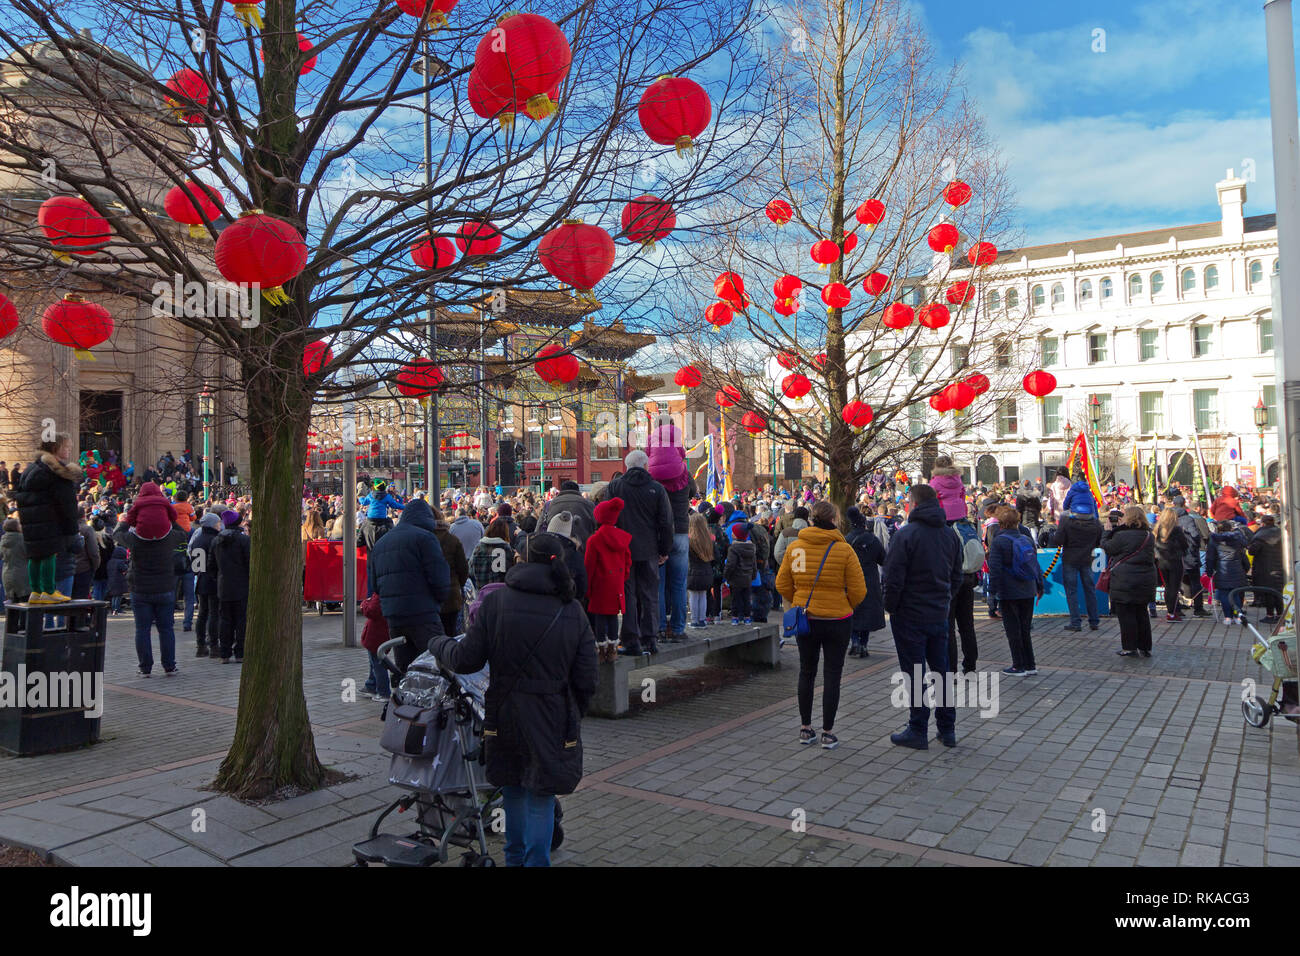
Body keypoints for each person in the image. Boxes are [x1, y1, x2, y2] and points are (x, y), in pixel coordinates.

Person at [428, 533, 597, 867]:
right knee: (541, 794)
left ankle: (514, 859)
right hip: (552, 714)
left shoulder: (496, 603)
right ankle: (536, 862)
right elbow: (587, 677)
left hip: (504, 711)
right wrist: (572, 710)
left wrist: (436, 644)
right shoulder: (572, 610)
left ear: (520, 559)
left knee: (514, 787)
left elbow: (465, 658)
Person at [777, 499, 868, 750]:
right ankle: (828, 732)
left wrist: (798, 599)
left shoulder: (796, 549)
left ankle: (805, 728)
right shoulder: (844, 550)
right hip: (837, 620)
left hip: (806, 617)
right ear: (833, 520)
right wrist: (845, 604)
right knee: (832, 675)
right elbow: (859, 590)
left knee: (806, 671)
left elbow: (783, 583)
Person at [367, 497, 450, 673]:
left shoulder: (381, 543)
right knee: (435, 667)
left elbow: (374, 585)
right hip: (424, 614)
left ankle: (405, 699)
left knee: (404, 669)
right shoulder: (426, 538)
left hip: (394, 616)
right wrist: (438, 602)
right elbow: (440, 577)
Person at [607, 450, 672, 656]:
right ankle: (650, 639)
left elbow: (609, 519)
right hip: (649, 549)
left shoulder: (616, 487)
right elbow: (666, 522)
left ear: (626, 466)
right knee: (650, 594)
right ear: (645, 466)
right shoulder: (656, 489)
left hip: (623, 549)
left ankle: (630, 639)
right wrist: (664, 549)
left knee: (627, 595)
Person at [114, 508, 188, 676]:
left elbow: (117, 534)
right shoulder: (168, 539)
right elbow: (182, 533)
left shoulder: (134, 540)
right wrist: (171, 519)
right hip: (164, 587)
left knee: (142, 629)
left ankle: (145, 667)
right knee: (166, 629)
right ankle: (169, 665)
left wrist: (126, 520)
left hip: (140, 588)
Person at [14, 434, 83, 604]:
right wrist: (71, 528)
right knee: (49, 555)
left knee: (35, 556)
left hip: (32, 521)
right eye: (66, 447)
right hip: (49, 521)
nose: (68, 450)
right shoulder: (55, 471)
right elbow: (66, 503)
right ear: (56, 448)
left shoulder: (32, 469)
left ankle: (36, 591)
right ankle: (49, 590)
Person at [986, 506, 1044, 677]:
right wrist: (1039, 586)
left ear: (1001, 523)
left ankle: (1018, 666)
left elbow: (994, 570)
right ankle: (1030, 664)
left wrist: (991, 595)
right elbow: (1035, 565)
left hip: (1009, 591)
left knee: (1013, 629)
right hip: (1028, 588)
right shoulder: (1026, 539)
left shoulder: (999, 541)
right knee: (1025, 629)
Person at [1102, 505, 1158, 656]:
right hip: (1145, 578)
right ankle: (1145, 646)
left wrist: (1108, 531)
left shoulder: (1121, 535)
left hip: (1125, 579)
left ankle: (1130, 647)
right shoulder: (1148, 535)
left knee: (1126, 614)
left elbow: (1108, 547)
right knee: (1141, 613)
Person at [584, 498, 632, 662]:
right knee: (613, 616)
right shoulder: (623, 538)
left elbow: (589, 566)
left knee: (599, 618)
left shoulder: (594, 540)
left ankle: (601, 649)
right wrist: (622, 578)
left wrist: (587, 588)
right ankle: (613, 649)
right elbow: (627, 562)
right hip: (616, 582)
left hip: (599, 583)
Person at [843, 506, 885, 658]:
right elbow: (883, 559)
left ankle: (854, 642)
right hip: (870, 581)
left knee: (853, 612)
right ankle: (864, 644)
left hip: (851, 580)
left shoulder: (846, 540)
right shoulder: (873, 540)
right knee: (867, 613)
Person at [211, 510, 251, 663]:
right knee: (241, 620)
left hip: (223, 585)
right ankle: (240, 652)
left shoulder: (216, 541)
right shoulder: (244, 540)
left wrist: (218, 578)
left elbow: (211, 565)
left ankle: (224, 653)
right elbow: (249, 563)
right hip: (241, 585)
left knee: (225, 620)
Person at [1057, 499, 1103, 632]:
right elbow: (1100, 541)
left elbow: (1058, 540)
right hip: (1088, 559)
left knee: (1071, 591)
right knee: (1090, 589)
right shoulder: (1095, 523)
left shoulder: (1067, 522)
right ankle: (1094, 621)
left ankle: (1075, 622)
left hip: (1070, 559)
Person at [430, 506, 470, 636]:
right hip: (450, 596)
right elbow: (463, 569)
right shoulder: (452, 540)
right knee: (450, 633)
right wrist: (458, 585)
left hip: (427, 599)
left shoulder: (420, 538)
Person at [189, 512, 221, 657]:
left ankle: (200, 644)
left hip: (201, 580)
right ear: (214, 524)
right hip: (214, 581)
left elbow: (196, 566)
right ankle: (214, 645)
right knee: (214, 613)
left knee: (202, 613)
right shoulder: (216, 539)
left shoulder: (197, 540)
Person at [1206, 519, 1250, 624]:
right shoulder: (1237, 538)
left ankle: (1227, 617)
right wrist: (1246, 568)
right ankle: (1238, 616)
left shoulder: (1214, 540)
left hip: (1222, 569)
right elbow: (1243, 552)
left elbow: (1210, 557)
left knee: (1224, 594)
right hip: (1237, 568)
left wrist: (1209, 571)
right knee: (1236, 594)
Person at [1153, 507, 1189, 622]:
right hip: (1175, 561)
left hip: (1162, 561)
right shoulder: (1177, 530)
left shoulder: (1157, 529)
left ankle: (1170, 611)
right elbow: (1185, 545)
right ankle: (1172, 613)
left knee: (1168, 587)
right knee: (1174, 587)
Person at [1247, 514, 1284, 622]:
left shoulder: (1260, 536)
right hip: (1280, 566)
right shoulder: (1281, 533)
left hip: (1264, 568)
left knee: (1268, 592)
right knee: (1278, 591)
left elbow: (1252, 551)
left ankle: (1270, 615)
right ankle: (1280, 614)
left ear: (1262, 523)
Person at [540, 480, 595, 546]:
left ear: (561, 491)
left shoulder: (550, 504)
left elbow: (540, 525)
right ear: (578, 490)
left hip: (556, 547)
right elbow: (595, 525)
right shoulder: (588, 504)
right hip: (582, 546)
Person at [723, 522, 756, 624]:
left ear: (736, 535)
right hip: (747, 578)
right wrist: (753, 576)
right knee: (746, 598)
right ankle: (747, 617)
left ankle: (735, 617)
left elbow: (730, 564)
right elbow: (754, 565)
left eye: (733, 532)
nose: (732, 534)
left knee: (735, 599)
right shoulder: (751, 548)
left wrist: (726, 576)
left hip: (735, 579)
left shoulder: (733, 548)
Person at [686, 511, 714, 629]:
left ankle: (694, 620)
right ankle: (702, 620)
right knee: (703, 595)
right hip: (707, 572)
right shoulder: (710, 539)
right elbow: (716, 556)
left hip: (693, 572)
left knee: (693, 596)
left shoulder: (690, 540)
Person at [360, 481, 403, 549]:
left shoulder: (370, 495)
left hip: (370, 519)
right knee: (391, 525)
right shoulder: (387, 496)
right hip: (382, 520)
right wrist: (406, 507)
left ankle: (359, 541)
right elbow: (395, 505)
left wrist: (360, 497)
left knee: (363, 528)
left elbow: (363, 502)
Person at [929, 456, 968, 524]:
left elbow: (932, 499)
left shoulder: (934, 482)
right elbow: (962, 496)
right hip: (960, 512)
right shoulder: (958, 479)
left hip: (943, 513)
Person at [1, 516, 29, 603]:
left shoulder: (2, 541)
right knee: (25, 605)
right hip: (23, 576)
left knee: (12, 607)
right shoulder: (22, 539)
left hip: (7, 576)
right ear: (16, 527)